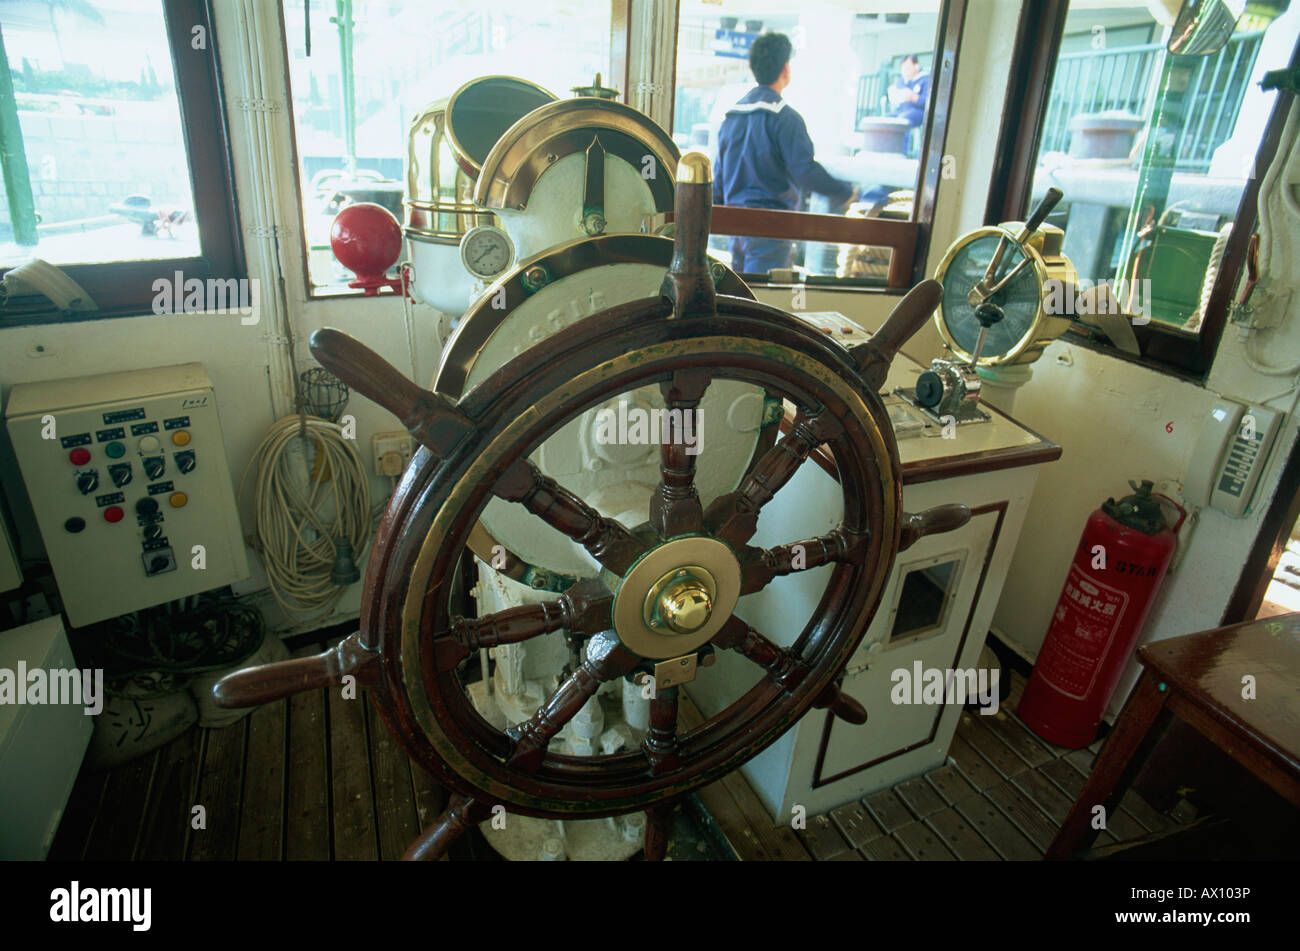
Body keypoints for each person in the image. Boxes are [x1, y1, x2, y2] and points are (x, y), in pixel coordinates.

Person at [714, 32, 857, 275]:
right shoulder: (785, 119)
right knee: (763, 303)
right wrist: (844, 191)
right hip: (770, 229)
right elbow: (805, 171)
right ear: (785, 69)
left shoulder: (731, 118)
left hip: (734, 226)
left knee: (738, 299)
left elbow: (717, 183)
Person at [887, 54, 930, 156]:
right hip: (902, 110)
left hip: (919, 112)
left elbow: (927, 102)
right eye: (903, 68)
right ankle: (887, 151)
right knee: (886, 118)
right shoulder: (903, 80)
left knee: (902, 120)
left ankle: (901, 153)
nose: (905, 71)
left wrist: (913, 97)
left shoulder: (925, 79)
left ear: (916, 66)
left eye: (907, 68)